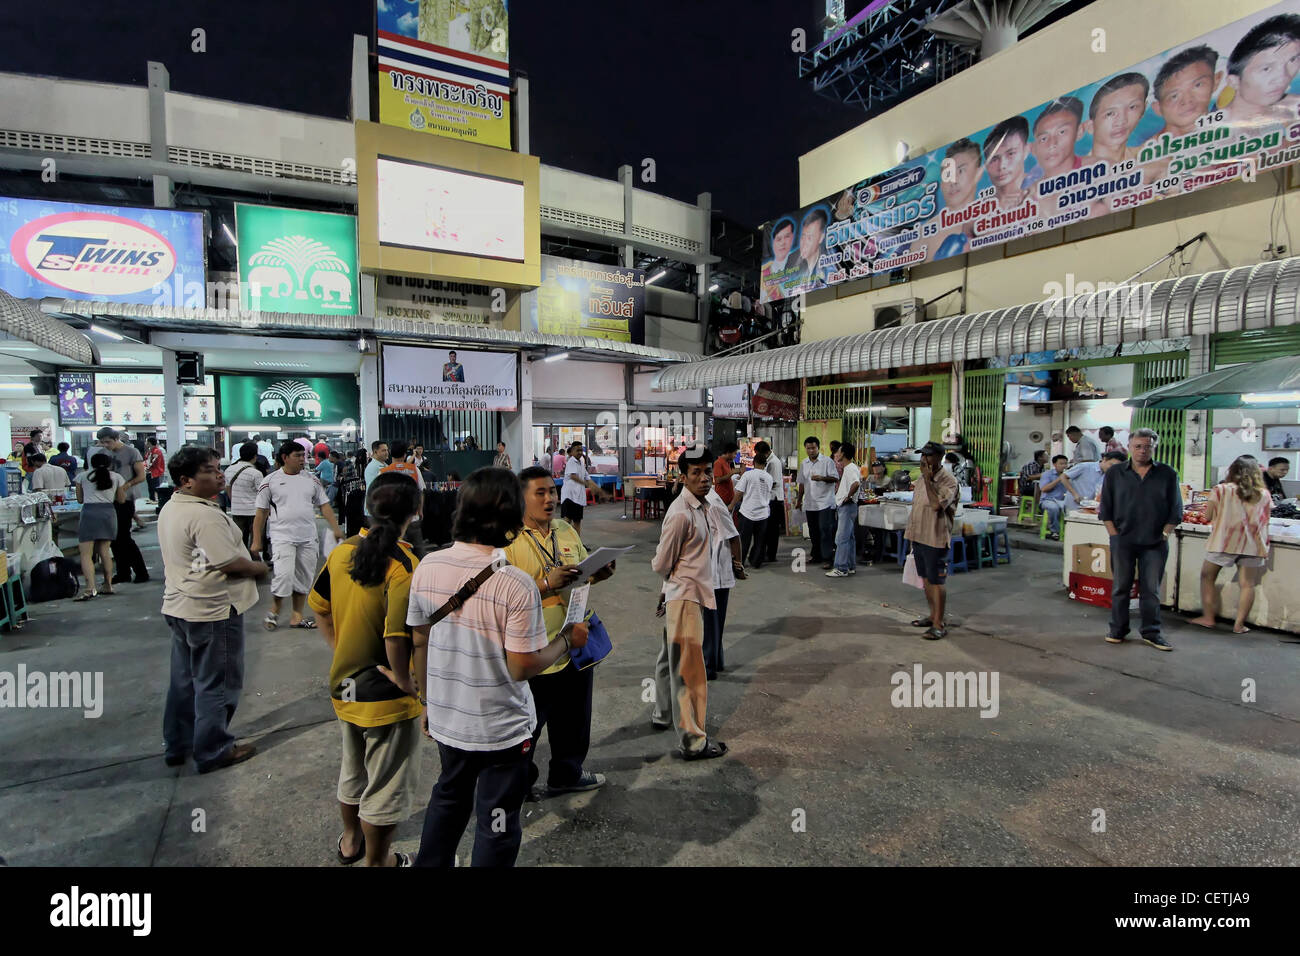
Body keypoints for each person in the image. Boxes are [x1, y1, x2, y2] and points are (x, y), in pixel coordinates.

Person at [407, 467, 581, 867]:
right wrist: (567, 640)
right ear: (510, 514)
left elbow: (420, 639)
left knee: (449, 798)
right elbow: (522, 667)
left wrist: (426, 701)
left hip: (449, 719)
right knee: (497, 819)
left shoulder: (428, 566)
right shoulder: (515, 584)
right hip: (501, 730)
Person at [309, 473, 423, 868]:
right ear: (416, 511)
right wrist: (407, 682)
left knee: (353, 769)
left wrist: (342, 650)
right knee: (386, 784)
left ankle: (350, 841)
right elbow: (397, 636)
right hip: (386, 698)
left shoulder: (342, 552)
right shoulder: (405, 564)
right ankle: (379, 862)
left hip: (345, 687)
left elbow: (319, 607)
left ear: (368, 507)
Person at [504, 467, 614, 800]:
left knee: (574, 719)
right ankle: (518, 785)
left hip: (576, 640)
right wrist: (543, 583)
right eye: (540, 493)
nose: (550, 499)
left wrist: (598, 573)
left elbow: (581, 574)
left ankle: (567, 773)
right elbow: (500, 595)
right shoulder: (508, 541)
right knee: (527, 725)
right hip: (534, 648)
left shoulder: (565, 530)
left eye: (552, 491)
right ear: (521, 497)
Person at [159, 446, 269, 773]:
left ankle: (177, 745)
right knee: (216, 683)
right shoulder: (205, 515)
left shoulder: (173, 506)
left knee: (183, 681)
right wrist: (260, 568)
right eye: (209, 470)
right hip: (212, 609)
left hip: (180, 606)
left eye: (218, 468)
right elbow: (229, 563)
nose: (220, 474)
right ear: (186, 480)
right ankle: (213, 750)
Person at [650, 443, 724, 760]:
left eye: (708, 471)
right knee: (689, 670)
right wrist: (670, 587)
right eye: (696, 473)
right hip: (686, 597)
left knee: (669, 658)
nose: (704, 478)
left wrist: (666, 590)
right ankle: (693, 739)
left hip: (680, 592)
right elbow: (661, 561)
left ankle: (663, 714)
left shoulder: (702, 506)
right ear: (683, 476)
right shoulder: (681, 514)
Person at [1099, 428, 1184, 651]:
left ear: (1154, 448)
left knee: (1151, 590)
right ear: (1129, 447)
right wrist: (1114, 536)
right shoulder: (1115, 473)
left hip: (1155, 543)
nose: (1142, 450)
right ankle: (1118, 629)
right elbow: (1105, 509)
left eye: (1147, 446)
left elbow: (1176, 511)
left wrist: (1164, 534)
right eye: (1138, 446)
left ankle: (1151, 632)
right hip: (1122, 541)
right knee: (1120, 587)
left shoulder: (1168, 473)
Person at [252, 441, 345, 631]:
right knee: (284, 575)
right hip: (281, 536)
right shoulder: (269, 481)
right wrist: (256, 540)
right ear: (285, 458)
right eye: (298, 455)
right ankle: (275, 610)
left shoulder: (311, 480)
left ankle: (297, 616)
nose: (303, 459)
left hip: (308, 536)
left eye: (304, 455)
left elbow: (324, 505)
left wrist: (335, 528)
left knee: (304, 577)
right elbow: (260, 513)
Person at [1189, 455, 1272, 635]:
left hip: (1223, 542)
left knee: (1207, 577)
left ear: (1232, 470)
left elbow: (1208, 516)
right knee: (1248, 584)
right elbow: (1266, 520)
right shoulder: (1264, 493)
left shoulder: (1221, 489)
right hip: (1253, 545)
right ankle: (1239, 625)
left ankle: (1208, 618)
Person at [1139, 45, 1223, 181]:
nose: (1187, 100)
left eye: (1198, 85)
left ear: (1216, 81)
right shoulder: (1146, 161)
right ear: (1158, 108)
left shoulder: (1233, 132)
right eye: (1174, 96)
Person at [905, 441, 960, 640]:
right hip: (919, 535)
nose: (924, 459)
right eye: (923, 455)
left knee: (936, 580)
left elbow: (937, 506)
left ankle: (939, 623)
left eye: (928, 456)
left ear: (939, 457)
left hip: (935, 537)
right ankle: (932, 616)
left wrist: (929, 481)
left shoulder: (948, 480)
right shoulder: (921, 478)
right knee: (926, 579)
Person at [94, 427, 149, 584]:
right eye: (102, 442)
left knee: (125, 537)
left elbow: (141, 476)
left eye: (108, 442)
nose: (105, 445)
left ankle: (141, 572)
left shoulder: (132, 453)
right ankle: (123, 572)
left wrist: (125, 486)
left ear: (116, 438)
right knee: (114, 538)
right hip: (108, 500)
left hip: (126, 499)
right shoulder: (103, 453)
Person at [1222, 14, 1300, 125]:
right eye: (1266, 69)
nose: (1283, 78)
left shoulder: (1295, 106)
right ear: (1234, 81)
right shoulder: (1213, 131)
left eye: (1293, 60)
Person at [702, 482, 743, 681]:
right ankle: (715, 661)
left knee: (711, 623)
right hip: (709, 572)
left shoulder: (713, 504)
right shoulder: (700, 501)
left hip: (716, 574)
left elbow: (734, 537)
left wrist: (739, 566)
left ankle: (708, 666)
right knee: (714, 623)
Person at [72, 452, 126, 600]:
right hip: (108, 513)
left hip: (89, 513)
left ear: (91, 462)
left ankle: (90, 588)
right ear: (109, 463)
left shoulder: (82, 477)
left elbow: (80, 499)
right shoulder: (116, 477)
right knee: (105, 551)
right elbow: (121, 500)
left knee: (86, 554)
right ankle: (108, 585)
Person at [925, 138, 983, 262]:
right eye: (947, 175)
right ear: (941, 183)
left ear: (978, 174)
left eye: (961, 171)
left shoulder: (990, 222)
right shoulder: (924, 235)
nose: (953, 181)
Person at [1084, 72, 1148, 165]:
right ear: (1091, 126)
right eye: (1110, 113)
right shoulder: (1073, 172)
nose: (1122, 121)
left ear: (1144, 109)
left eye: (1132, 107)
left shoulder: (1150, 160)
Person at [796, 436, 839, 569]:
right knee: (813, 531)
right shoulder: (804, 463)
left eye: (813, 448)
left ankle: (828, 558)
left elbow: (835, 478)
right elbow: (802, 483)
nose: (811, 450)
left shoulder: (827, 462)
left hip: (825, 503)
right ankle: (817, 556)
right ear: (805, 449)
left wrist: (822, 478)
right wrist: (799, 500)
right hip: (810, 503)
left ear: (818, 447)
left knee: (825, 530)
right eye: (808, 448)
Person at [729, 442, 774, 569]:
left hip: (748, 512)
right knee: (760, 541)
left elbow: (739, 493)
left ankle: (740, 562)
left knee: (744, 540)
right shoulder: (769, 477)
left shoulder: (748, 475)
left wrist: (731, 505)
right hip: (763, 514)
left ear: (753, 463)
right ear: (765, 465)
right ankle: (756, 562)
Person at [1026, 96, 1085, 190]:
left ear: (1079, 132)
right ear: (1033, 149)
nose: (1052, 144)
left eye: (1061, 132)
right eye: (1044, 139)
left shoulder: (1098, 170)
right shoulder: (1030, 195)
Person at [826, 441, 861, 579]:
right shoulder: (849, 468)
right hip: (847, 506)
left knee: (841, 538)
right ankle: (850, 566)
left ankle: (841, 568)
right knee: (849, 538)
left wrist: (848, 496)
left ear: (844, 454)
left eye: (838, 452)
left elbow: (856, 483)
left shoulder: (850, 468)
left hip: (847, 507)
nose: (836, 454)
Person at [982, 115, 1032, 210]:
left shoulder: (1041, 191)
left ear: (1026, 151)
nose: (1001, 166)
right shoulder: (977, 214)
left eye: (1011, 154)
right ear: (986, 165)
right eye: (994, 159)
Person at [224, 441, 263, 550]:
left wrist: (235, 501)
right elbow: (262, 493)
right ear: (255, 456)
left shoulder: (229, 469)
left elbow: (227, 488)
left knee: (239, 540)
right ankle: (254, 562)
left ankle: (242, 561)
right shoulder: (255, 473)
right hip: (254, 512)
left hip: (237, 510)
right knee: (255, 539)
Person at [560, 442, 591, 537]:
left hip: (578, 498)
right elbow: (573, 476)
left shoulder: (581, 463)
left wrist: (598, 489)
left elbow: (587, 477)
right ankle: (562, 543)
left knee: (577, 521)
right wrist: (587, 484)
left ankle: (578, 545)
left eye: (581, 450)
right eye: (577, 450)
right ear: (572, 451)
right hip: (569, 497)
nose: (580, 452)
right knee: (567, 521)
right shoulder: (571, 462)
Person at [760, 441, 784, 563]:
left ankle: (771, 555)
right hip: (770, 498)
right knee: (768, 529)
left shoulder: (774, 462)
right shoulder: (769, 461)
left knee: (772, 530)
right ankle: (767, 554)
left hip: (774, 499)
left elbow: (773, 482)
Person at [1039, 455, 1070, 539]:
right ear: (1054, 464)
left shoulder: (1069, 475)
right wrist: (1059, 479)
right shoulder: (1047, 474)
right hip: (1048, 500)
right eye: (1061, 463)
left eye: (1065, 464)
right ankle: (1055, 531)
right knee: (1054, 508)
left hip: (1063, 500)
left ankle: (1069, 531)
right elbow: (1044, 489)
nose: (1064, 466)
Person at [363, 440, 390, 521]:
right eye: (383, 450)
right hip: (375, 511)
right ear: (375, 452)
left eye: (387, 450)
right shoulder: (373, 467)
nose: (387, 453)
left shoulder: (384, 465)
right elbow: (374, 490)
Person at [712, 441, 739, 507]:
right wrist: (731, 473)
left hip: (729, 497)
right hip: (722, 498)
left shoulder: (728, 463)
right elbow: (718, 480)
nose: (735, 456)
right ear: (728, 452)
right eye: (734, 454)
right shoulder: (718, 463)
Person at [145, 437, 166, 502]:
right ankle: (151, 498)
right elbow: (146, 459)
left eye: (146, 441)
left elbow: (153, 461)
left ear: (149, 443)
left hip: (155, 472)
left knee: (154, 486)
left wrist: (147, 467)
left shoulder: (157, 451)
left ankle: (156, 499)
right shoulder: (150, 450)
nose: (145, 443)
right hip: (149, 471)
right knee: (150, 486)